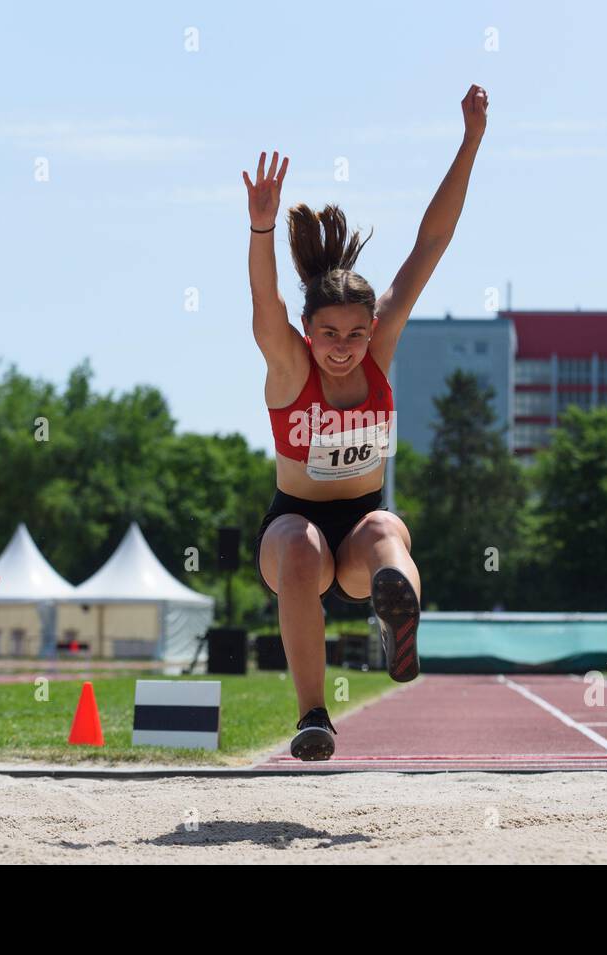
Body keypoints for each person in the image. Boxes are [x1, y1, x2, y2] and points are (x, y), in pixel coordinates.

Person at [245, 85, 488, 761]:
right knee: (298, 544)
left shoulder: (381, 349)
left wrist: (469, 143)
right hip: (293, 527)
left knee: (386, 527)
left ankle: (397, 614)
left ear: (372, 327)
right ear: (308, 332)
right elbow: (264, 300)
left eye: (356, 330)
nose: (345, 345)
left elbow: (431, 241)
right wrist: (261, 229)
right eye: (329, 333)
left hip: (359, 530)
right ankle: (313, 714)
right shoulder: (291, 368)